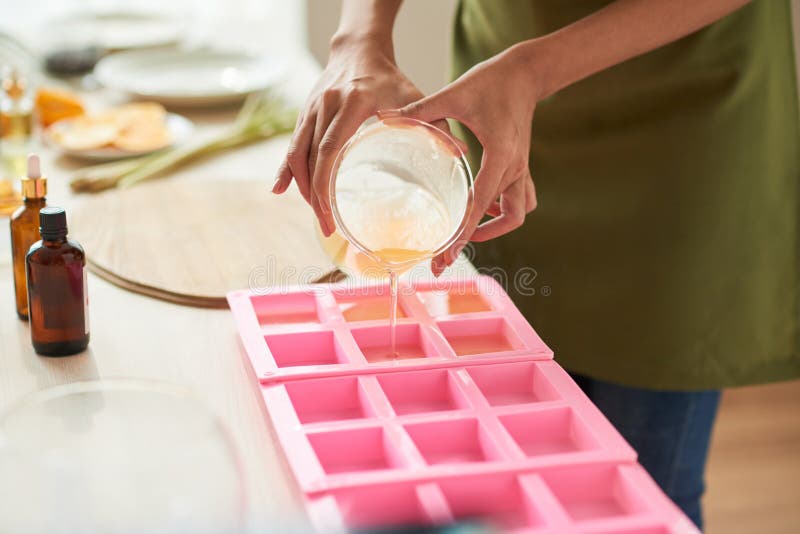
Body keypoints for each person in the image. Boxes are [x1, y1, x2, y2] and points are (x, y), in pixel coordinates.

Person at [273, 0, 800, 529]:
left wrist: (534, 70)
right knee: (507, 474)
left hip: (682, 126)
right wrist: (360, 36)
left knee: (644, 488)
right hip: (501, 102)